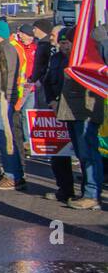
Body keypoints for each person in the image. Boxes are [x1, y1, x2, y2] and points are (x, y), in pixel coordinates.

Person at [54, 27, 104, 210]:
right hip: (72, 111)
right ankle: (87, 191)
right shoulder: (70, 58)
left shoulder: (90, 57)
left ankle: (92, 194)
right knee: (82, 153)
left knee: (88, 153)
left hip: (85, 111)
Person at [0, 19, 26, 190]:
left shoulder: (4, 50)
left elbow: (0, 77)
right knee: (3, 137)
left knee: (4, 138)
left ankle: (12, 175)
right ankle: (13, 173)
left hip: (0, 99)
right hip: (1, 98)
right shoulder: (7, 48)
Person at [43, 28, 76, 204]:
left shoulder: (78, 60)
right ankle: (64, 189)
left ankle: (86, 192)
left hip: (75, 111)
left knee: (82, 153)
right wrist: (51, 102)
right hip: (57, 110)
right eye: (61, 43)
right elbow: (48, 82)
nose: (63, 46)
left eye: (66, 43)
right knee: (58, 154)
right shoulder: (56, 59)